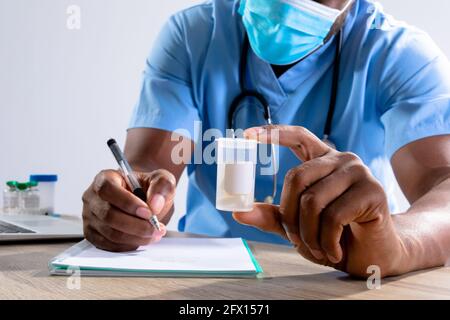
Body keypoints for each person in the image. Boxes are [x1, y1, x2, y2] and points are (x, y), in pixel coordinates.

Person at [81, 0, 450, 278]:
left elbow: (444, 185)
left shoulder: (399, 53)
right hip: (205, 277)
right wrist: (131, 206)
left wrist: (396, 244)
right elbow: (148, 169)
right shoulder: (194, 34)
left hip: (334, 280)